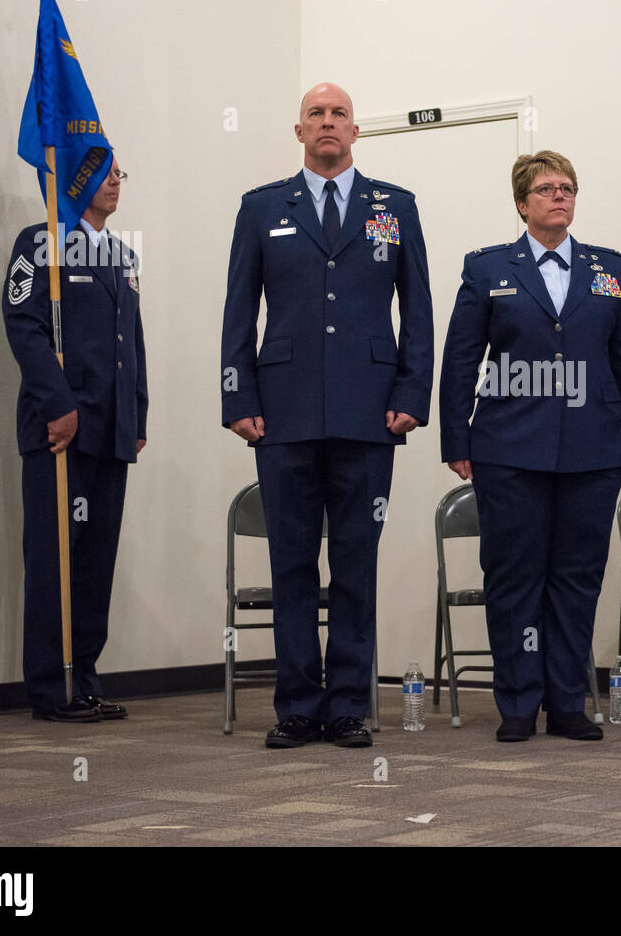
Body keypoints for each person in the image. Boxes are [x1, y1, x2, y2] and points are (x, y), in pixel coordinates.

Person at [221, 82, 433, 750]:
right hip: (281, 413)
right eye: (316, 114)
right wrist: (238, 398)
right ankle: (296, 706)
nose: (328, 123)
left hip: (370, 414)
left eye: (339, 114)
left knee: (354, 563)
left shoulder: (394, 207)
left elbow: (418, 310)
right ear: (299, 131)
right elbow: (237, 309)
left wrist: (411, 394)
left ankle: (346, 704)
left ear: (355, 130)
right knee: (289, 564)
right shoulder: (261, 209)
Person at [439, 150, 621, 742]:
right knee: (514, 575)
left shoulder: (609, 268)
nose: (560, 196)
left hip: (593, 447)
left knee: (578, 576)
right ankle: (517, 702)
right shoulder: (487, 269)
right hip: (509, 447)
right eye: (546, 189)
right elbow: (461, 358)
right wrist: (454, 436)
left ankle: (565, 701)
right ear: (521, 204)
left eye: (568, 188)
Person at [2, 158, 146, 723]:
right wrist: (58, 407)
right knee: (53, 559)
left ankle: (83, 680)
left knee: (94, 563)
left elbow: (130, 340)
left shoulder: (122, 255)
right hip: (61, 432)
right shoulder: (42, 244)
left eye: (120, 174)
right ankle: (49, 687)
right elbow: (24, 326)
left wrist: (137, 414)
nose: (116, 181)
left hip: (110, 431)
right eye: (106, 172)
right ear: (75, 181)